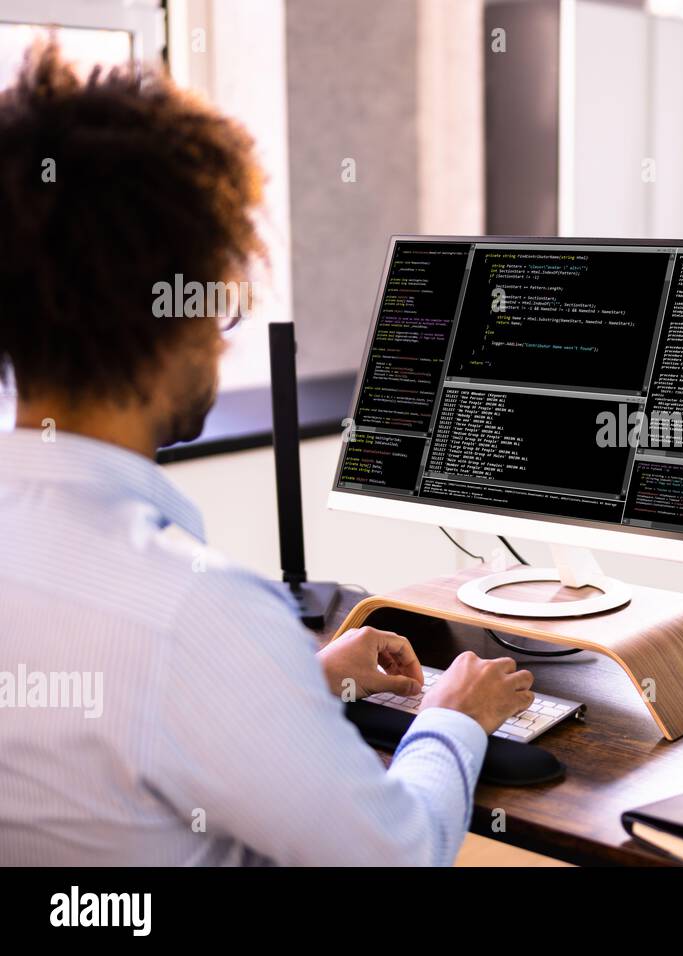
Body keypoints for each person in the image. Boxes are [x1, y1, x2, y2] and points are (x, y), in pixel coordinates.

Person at [0, 43, 532, 865]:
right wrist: (455, 716)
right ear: (170, 323)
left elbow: (113, 722)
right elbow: (395, 855)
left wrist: (293, 681)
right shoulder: (195, 614)